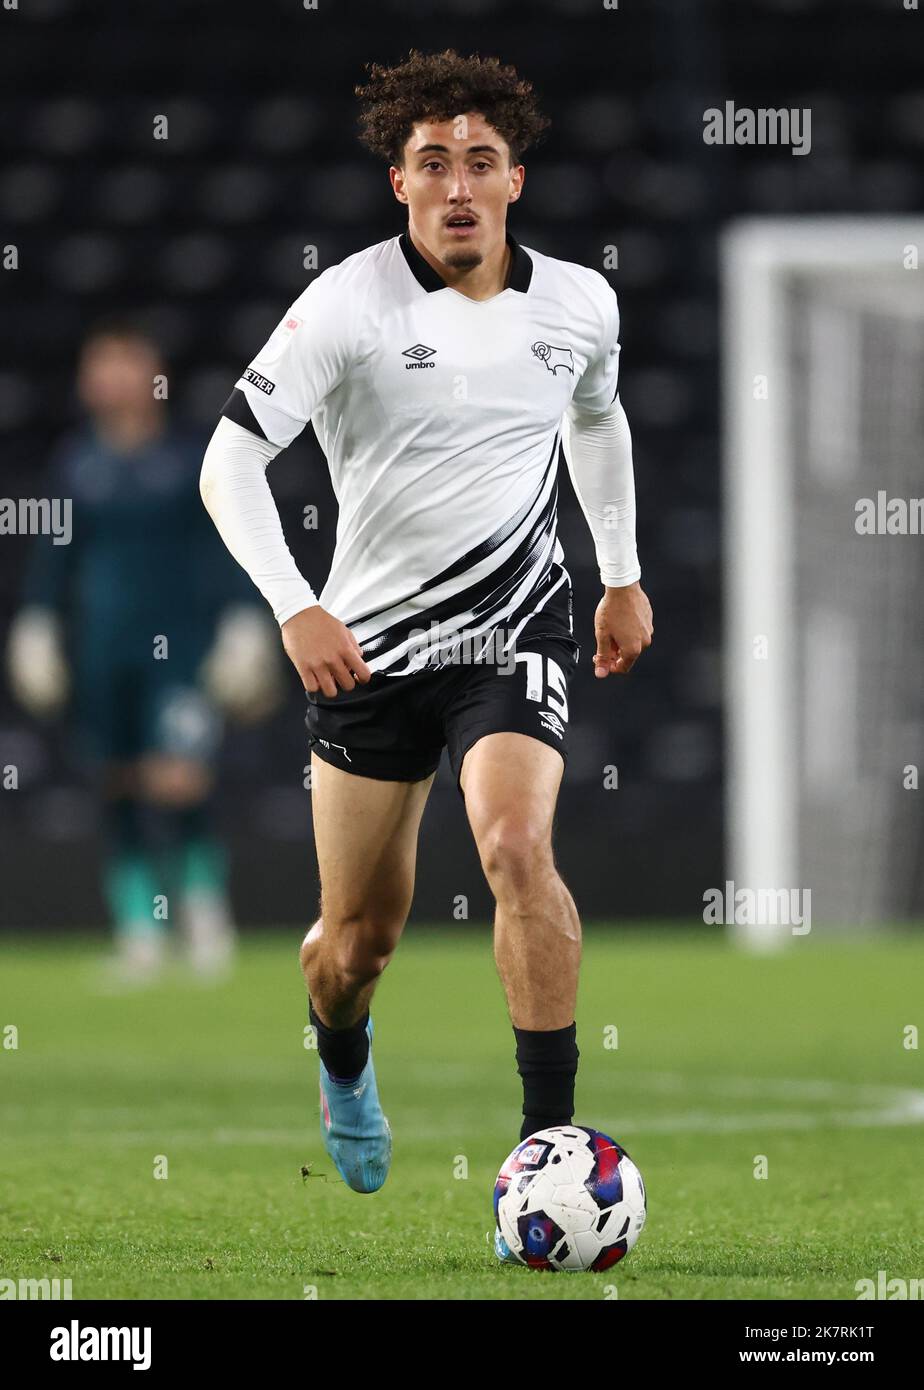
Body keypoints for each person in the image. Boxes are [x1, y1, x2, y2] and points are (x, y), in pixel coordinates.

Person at [199, 50, 653, 1255]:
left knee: (514, 841)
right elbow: (229, 459)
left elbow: (597, 418)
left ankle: (546, 1145)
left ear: (516, 180)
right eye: (434, 165)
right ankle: (343, 1057)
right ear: (397, 183)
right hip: (372, 650)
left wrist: (619, 571)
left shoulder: (580, 304)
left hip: (516, 624)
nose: (459, 186)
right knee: (356, 945)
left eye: (482, 164)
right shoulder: (347, 305)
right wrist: (297, 604)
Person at [7, 322, 283, 981]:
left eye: (125, 366)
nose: (113, 380)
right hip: (102, 651)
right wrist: (37, 621)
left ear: (153, 374)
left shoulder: (190, 459)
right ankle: (140, 932)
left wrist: (245, 619)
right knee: (117, 783)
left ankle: (206, 921)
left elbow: (222, 547)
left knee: (180, 778)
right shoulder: (78, 463)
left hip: (178, 650)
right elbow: (57, 556)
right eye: (100, 367)